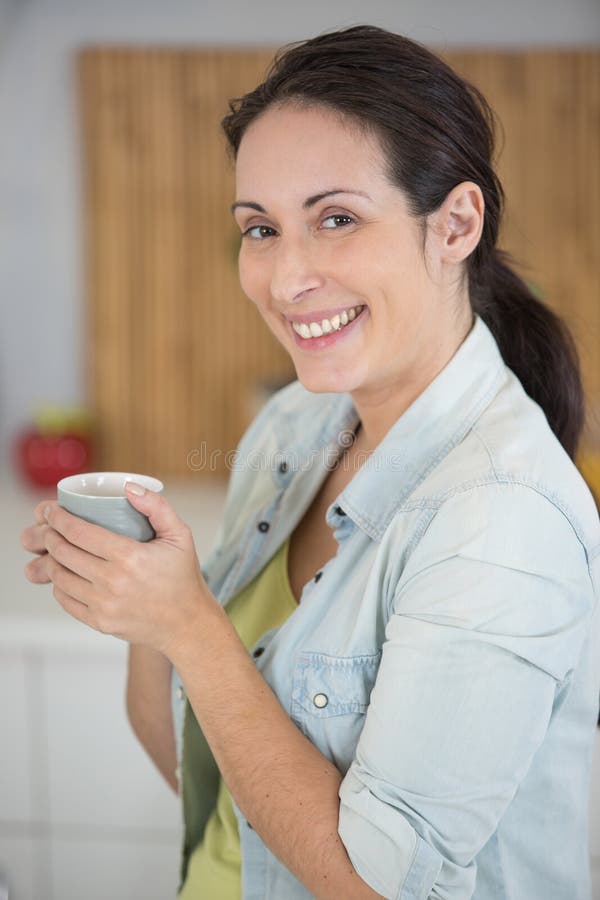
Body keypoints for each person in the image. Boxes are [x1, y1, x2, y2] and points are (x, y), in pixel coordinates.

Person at [21, 24, 600, 900]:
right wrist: (139, 598)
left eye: (337, 219)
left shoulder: (499, 514)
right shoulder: (298, 425)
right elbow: (214, 784)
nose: (287, 277)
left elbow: (380, 889)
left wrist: (187, 624)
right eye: (260, 228)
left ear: (455, 225)